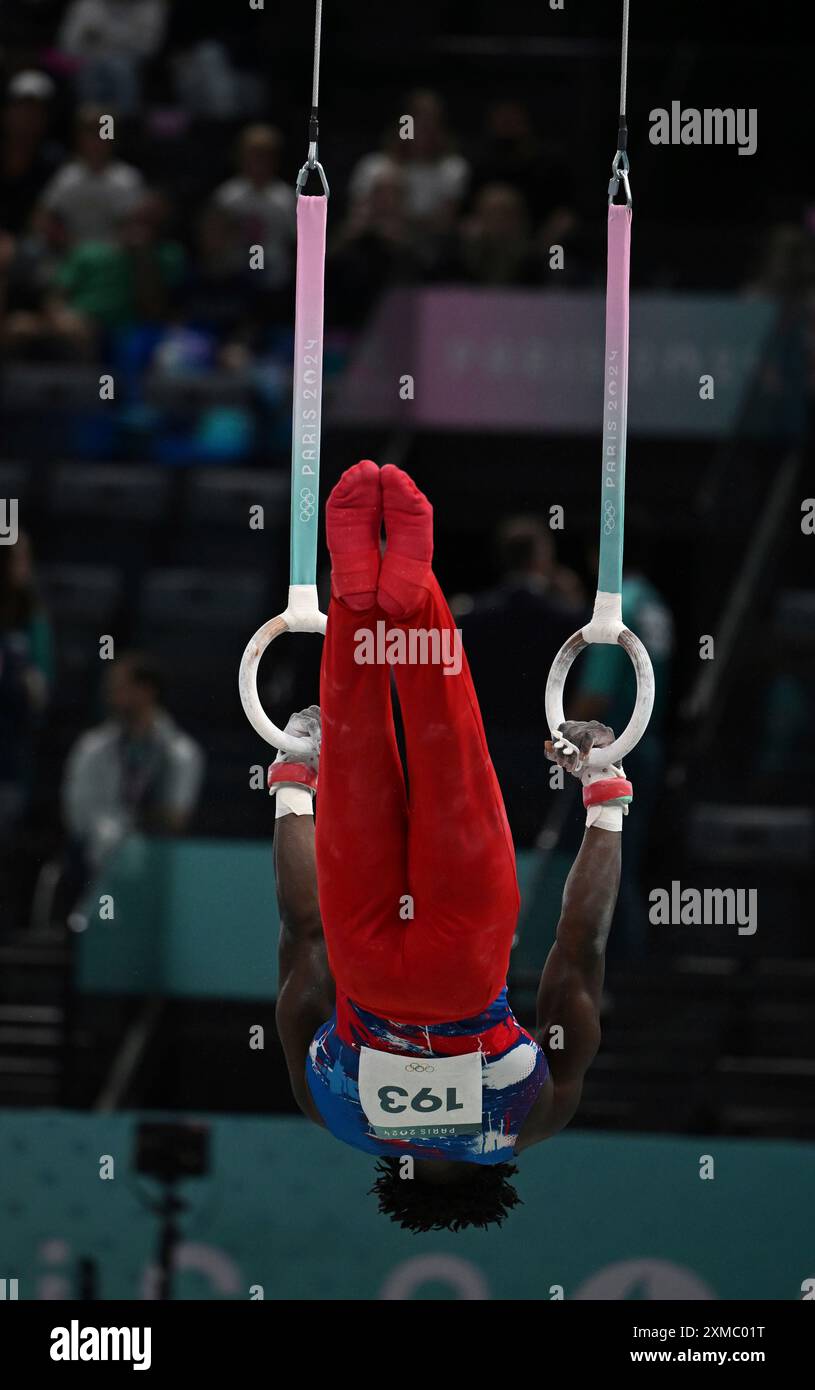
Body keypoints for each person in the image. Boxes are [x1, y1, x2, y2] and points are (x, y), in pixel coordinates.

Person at [271, 462, 633, 1232]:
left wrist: (604, 799)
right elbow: (303, 943)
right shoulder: (335, 1114)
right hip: (363, 958)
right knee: (358, 742)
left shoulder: (522, 1123)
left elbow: (579, 952)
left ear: (491, 1176)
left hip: (468, 959)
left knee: (447, 745)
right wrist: (293, 784)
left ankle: (412, 589)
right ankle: (359, 594)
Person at [61, 652, 204, 892]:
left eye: (119, 688)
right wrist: (109, 835)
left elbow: (176, 818)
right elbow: (77, 813)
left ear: (146, 691)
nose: (109, 696)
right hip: (96, 861)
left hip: (157, 866)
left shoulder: (181, 753)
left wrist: (135, 828)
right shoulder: (92, 747)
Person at [0, 532, 54, 837]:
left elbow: (40, 693)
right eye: (16, 560)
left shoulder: (33, 621)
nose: (24, 569)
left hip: (9, 758)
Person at [36, 106, 144, 247]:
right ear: (79, 137)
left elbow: (138, 225)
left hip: (117, 256)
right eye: (89, 132)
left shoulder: (127, 179)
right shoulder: (66, 177)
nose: (97, 139)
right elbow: (43, 217)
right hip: (72, 255)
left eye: (103, 131)